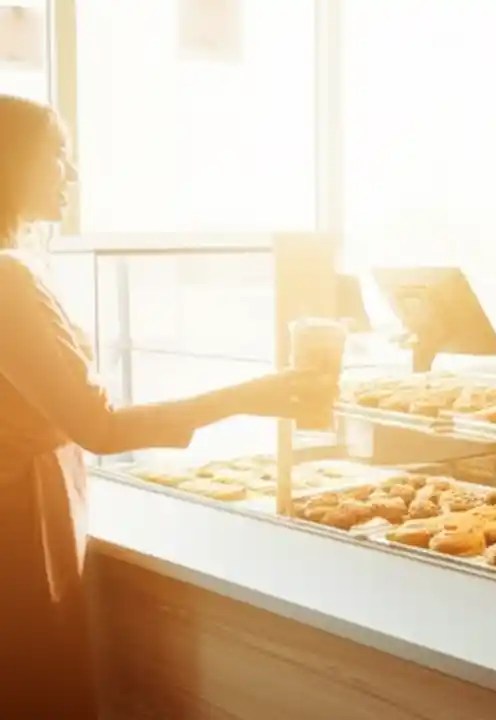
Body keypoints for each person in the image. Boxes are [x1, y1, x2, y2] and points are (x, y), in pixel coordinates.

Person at [0, 95, 337, 717]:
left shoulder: (18, 269)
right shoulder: (8, 280)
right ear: (13, 162)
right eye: (58, 156)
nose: (71, 173)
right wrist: (249, 396)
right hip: (19, 528)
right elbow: (100, 427)